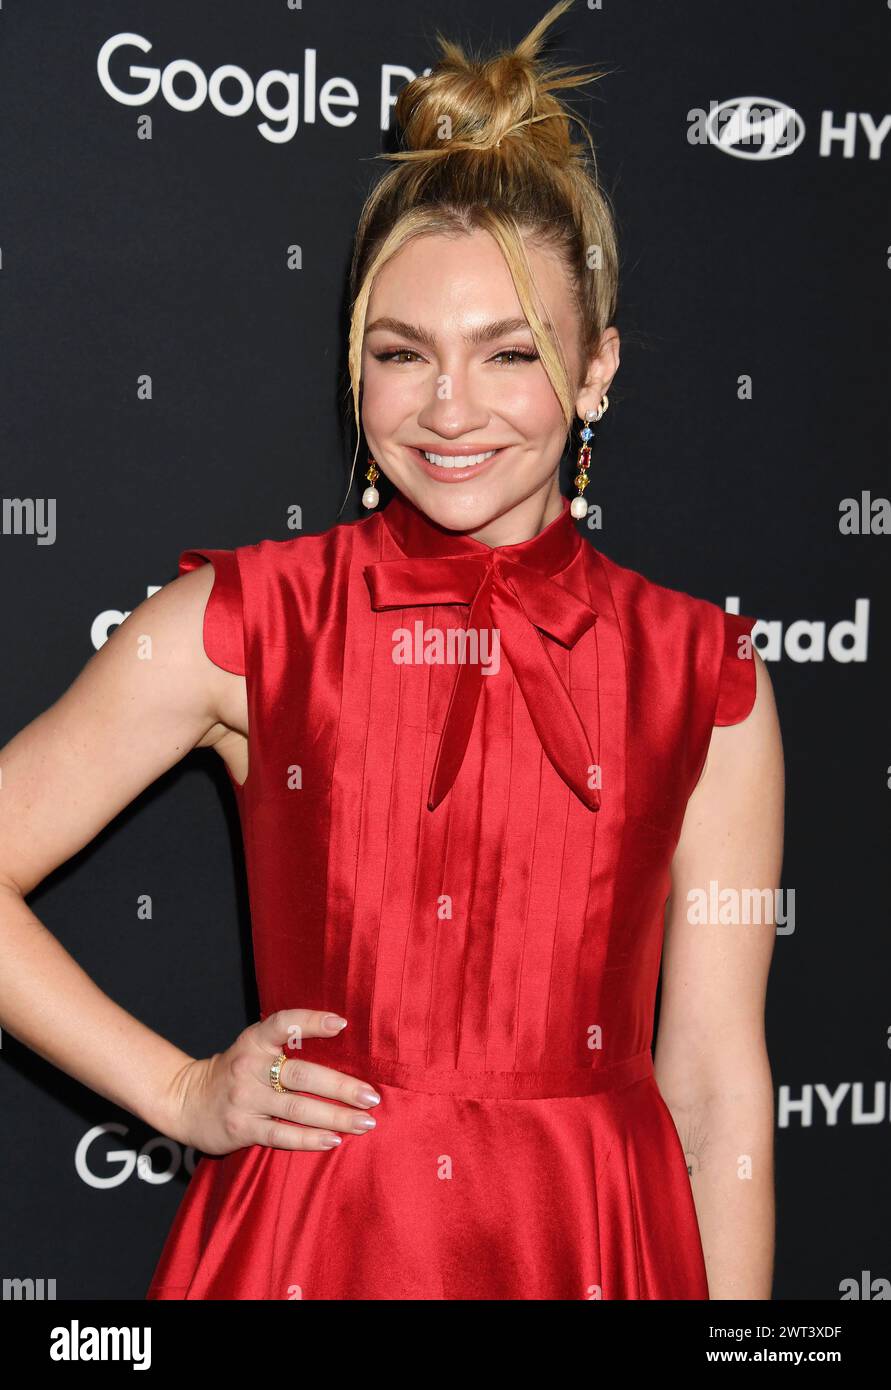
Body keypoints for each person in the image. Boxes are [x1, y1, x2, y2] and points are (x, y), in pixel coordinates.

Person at [0, 0, 783, 1300]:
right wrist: (182, 1087)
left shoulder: (704, 679)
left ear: (598, 371)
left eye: (511, 352)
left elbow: (715, 1083)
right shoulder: (242, 625)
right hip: (319, 1241)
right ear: (354, 371)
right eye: (401, 352)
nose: (450, 406)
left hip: (598, 1245)